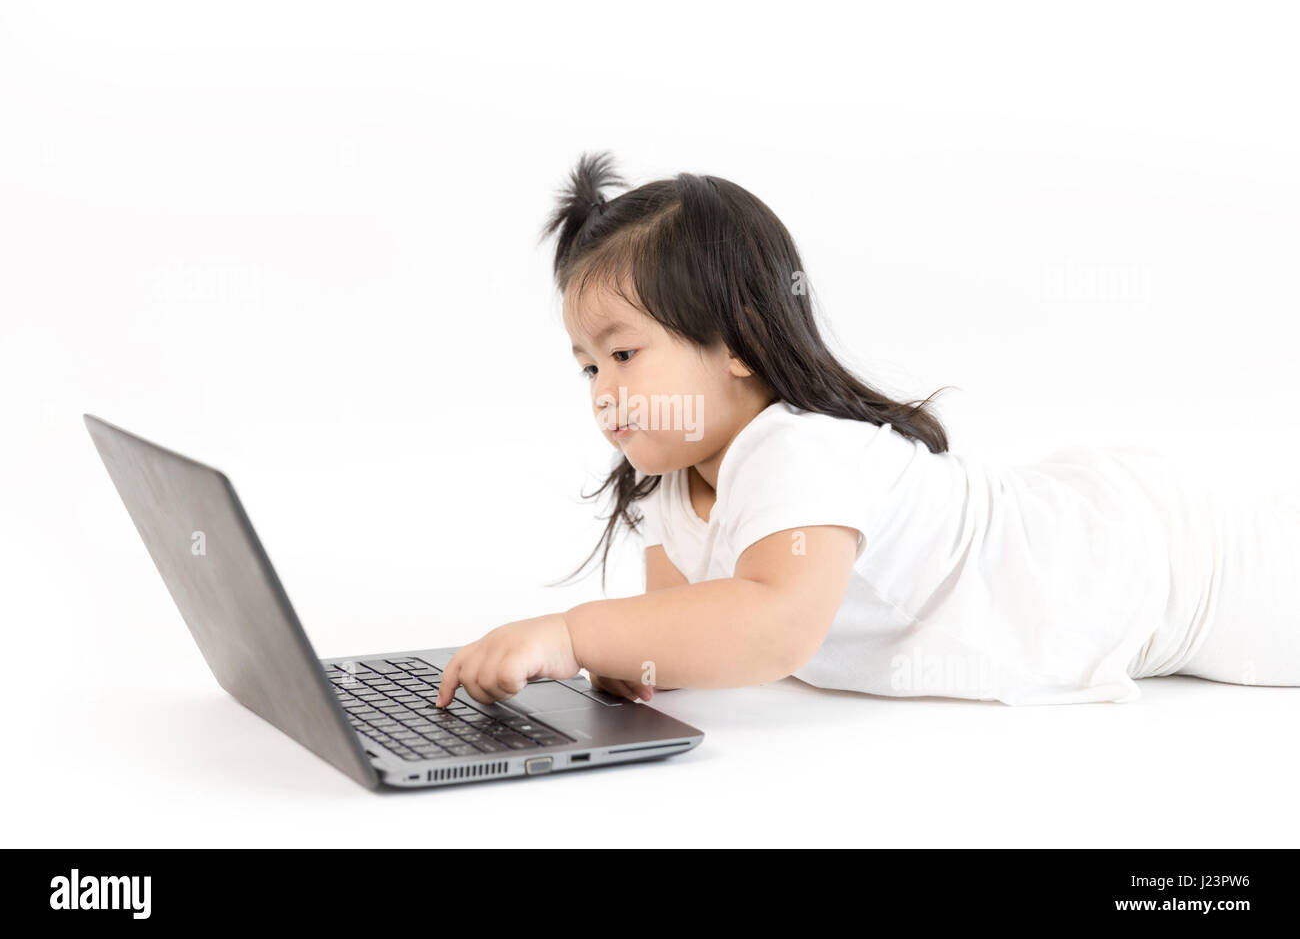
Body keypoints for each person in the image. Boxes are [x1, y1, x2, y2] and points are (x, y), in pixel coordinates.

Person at [435, 152, 1300, 709]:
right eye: (588, 367)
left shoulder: (795, 447)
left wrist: (573, 634)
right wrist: (625, 662)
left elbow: (774, 626)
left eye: (624, 355)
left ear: (735, 341)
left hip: (1156, 572)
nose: (603, 391)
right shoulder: (675, 481)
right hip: (1091, 535)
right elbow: (685, 627)